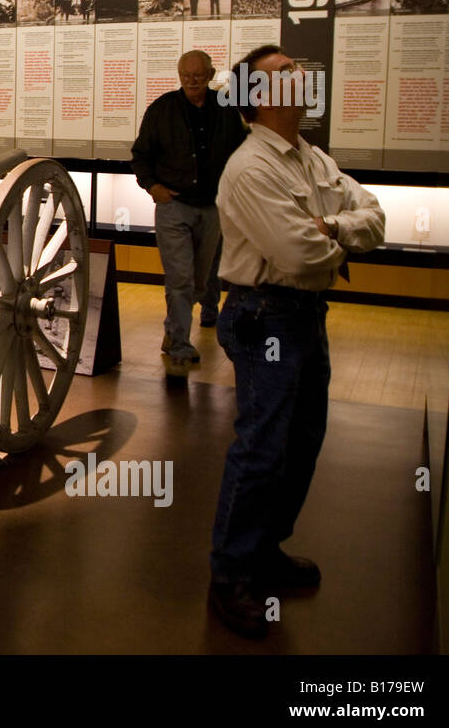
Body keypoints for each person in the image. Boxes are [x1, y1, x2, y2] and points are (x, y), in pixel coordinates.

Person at [207, 44, 385, 638]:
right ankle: (230, 574)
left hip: (303, 312)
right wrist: (334, 240)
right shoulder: (251, 168)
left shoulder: (309, 158)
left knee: (304, 438)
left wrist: (332, 225)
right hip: (266, 318)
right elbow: (298, 253)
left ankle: (264, 550)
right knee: (263, 446)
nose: (301, 75)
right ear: (256, 99)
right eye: (284, 73)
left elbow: (374, 217)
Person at [131, 50, 247, 378]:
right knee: (180, 277)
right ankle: (180, 342)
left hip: (211, 208)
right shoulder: (162, 110)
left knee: (198, 278)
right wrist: (152, 187)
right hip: (174, 207)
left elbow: (242, 151)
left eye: (198, 75)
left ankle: (173, 329)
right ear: (179, 75)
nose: (191, 81)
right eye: (185, 75)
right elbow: (140, 155)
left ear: (210, 75)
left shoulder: (225, 109)